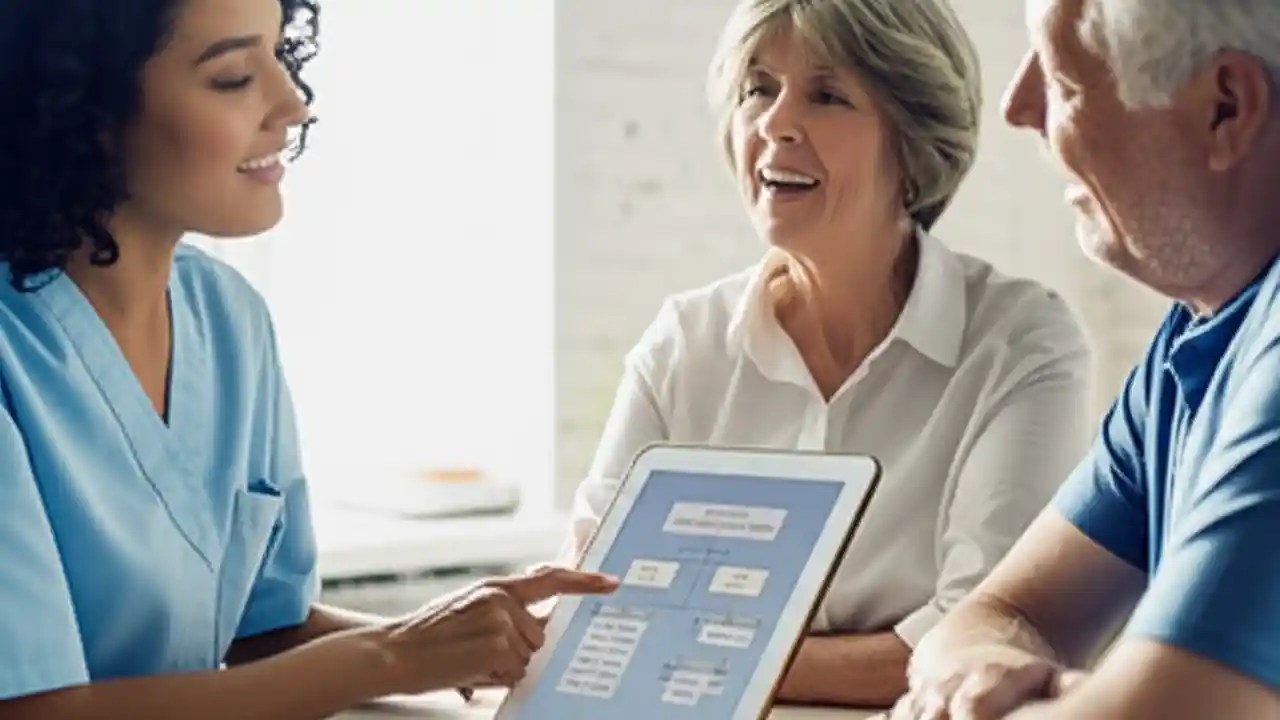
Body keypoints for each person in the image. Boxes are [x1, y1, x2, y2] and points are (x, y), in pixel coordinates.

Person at [0, 0, 616, 717]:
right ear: (82, 107)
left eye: (280, 57)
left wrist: (459, 640)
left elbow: (266, 633)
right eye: (232, 77)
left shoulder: (227, 318)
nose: (293, 104)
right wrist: (389, 656)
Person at [566, 0, 1093, 708]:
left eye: (826, 95)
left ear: (912, 143)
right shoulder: (683, 343)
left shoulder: (1020, 343)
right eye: (758, 87)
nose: (774, 122)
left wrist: (696, 649)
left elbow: (984, 634)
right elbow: (590, 603)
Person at [885, 1, 1280, 718]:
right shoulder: (1195, 334)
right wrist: (992, 676)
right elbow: (990, 617)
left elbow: (1176, 712)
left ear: (1226, 107)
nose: (1017, 107)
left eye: (1064, 81)